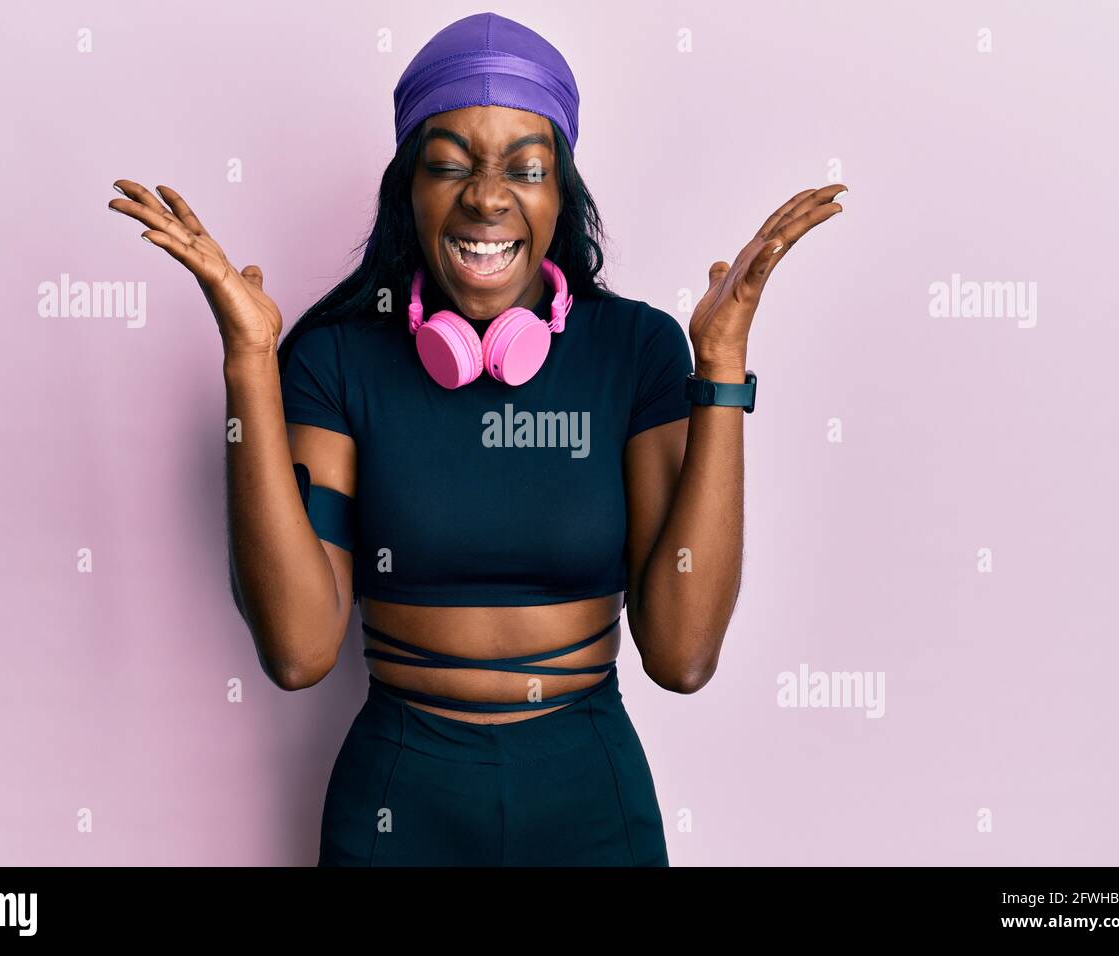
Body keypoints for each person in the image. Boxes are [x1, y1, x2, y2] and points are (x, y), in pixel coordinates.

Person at [107, 11, 843, 866]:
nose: (487, 197)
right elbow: (300, 651)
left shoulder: (634, 350)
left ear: (559, 193)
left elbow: (682, 657)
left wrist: (717, 371)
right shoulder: (335, 359)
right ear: (407, 192)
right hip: (399, 795)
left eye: (525, 169)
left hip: (589, 789)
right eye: (449, 164)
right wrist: (250, 363)